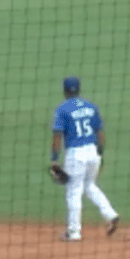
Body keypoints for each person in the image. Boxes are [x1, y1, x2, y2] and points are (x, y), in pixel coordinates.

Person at [50, 76, 120, 241]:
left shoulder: (62, 109)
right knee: (89, 185)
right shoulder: (91, 106)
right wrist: (100, 155)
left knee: (73, 192)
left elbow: (57, 135)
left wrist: (54, 158)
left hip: (76, 154)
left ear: (65, 90)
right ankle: (111, 215)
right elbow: (100, 133)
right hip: (92, 152)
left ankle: (74, 232)